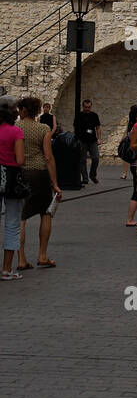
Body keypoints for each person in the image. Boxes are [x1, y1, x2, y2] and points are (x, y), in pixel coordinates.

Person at [16, 97, 62, 270]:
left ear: (24, 110)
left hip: (21, 174)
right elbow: (48, 157)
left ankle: (21, 258)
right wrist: (55, 183)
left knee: (21, 217)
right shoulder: (43, 128)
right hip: (40, 173)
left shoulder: (15, 128)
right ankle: (42, 255)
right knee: (45, 213)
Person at [0, 104, 27, 280]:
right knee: (12, 223)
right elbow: (20, 159)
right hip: (11, 178)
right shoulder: (16, 132)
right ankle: (7, 269)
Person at [73, 98, 101, 186]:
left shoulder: (94, 115)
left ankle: (92, 175)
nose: (87, 109)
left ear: (91, 106)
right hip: (82, 140)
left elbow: (98, 128)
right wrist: (77, 138)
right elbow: (75, 128)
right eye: (85, 107)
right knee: (82, 160)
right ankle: (85, 178)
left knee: (96, 158)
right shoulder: (79, 115)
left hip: (92, 140)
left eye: (89, 107)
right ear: (83, 106)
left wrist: (99, 138)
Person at [124, 104, 137, 226]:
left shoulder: (133, 127)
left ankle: (135, 218)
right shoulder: (135, 128)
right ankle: (130, 219)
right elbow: (135, 145)